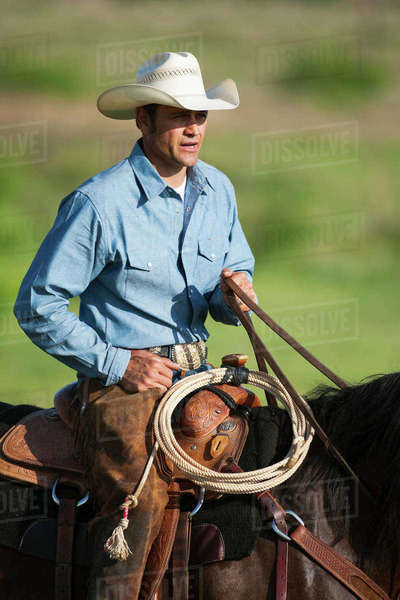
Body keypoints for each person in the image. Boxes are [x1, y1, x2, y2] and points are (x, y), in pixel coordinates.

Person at [13, 51, 257, 599]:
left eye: (200, 115)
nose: (193, 127)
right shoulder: (99, 203)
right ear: (142, 121)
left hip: (201, 377)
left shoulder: (218, 190)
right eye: (176, 115)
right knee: (140, 502)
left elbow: (224, 294)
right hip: (123, 385)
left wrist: (235, 295)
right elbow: (38, 305)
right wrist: (119, 362)